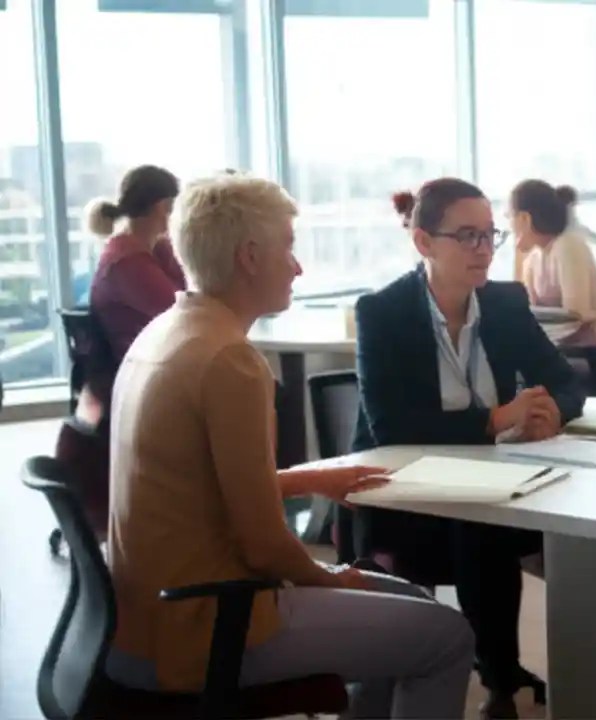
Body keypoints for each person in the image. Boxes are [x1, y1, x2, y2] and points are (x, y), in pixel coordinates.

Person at [104, 174, 474, 719]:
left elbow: (194, 488)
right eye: (289, 247)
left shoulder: (164, 334)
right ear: (250, 257)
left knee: (410, 603)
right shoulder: (231, 360)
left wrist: (308, 479)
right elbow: (264, 547)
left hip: (147, 620)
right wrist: (329, 577)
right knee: (447, 634)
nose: (297, 267)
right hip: (210, 625)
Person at [356, 178, 586, 719]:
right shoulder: (383, 312)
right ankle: (497, 673)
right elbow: (390, 425)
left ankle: (508, 674)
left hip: (494, 482)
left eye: (489, 235)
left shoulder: (504, 302)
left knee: (514, 522)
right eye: (466, 236)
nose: (483, 250)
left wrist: (554, 410)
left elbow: (567, 381)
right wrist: (493, 420)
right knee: (479, 527)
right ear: (423, 242)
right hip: (404, 491)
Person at [511, 180, 596, 378]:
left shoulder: (568, 245)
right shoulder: (535, 254)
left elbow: (576, 315)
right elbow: (525, 306)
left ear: (524, 218)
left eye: (510, 217)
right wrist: (518, 254)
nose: (510, 225)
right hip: (568, 345)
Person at [86, 165, 187, 367]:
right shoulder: (127, 262)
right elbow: (181, 314)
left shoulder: (145, 248)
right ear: (163, 207)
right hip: (143, 369)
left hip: (155, 360)